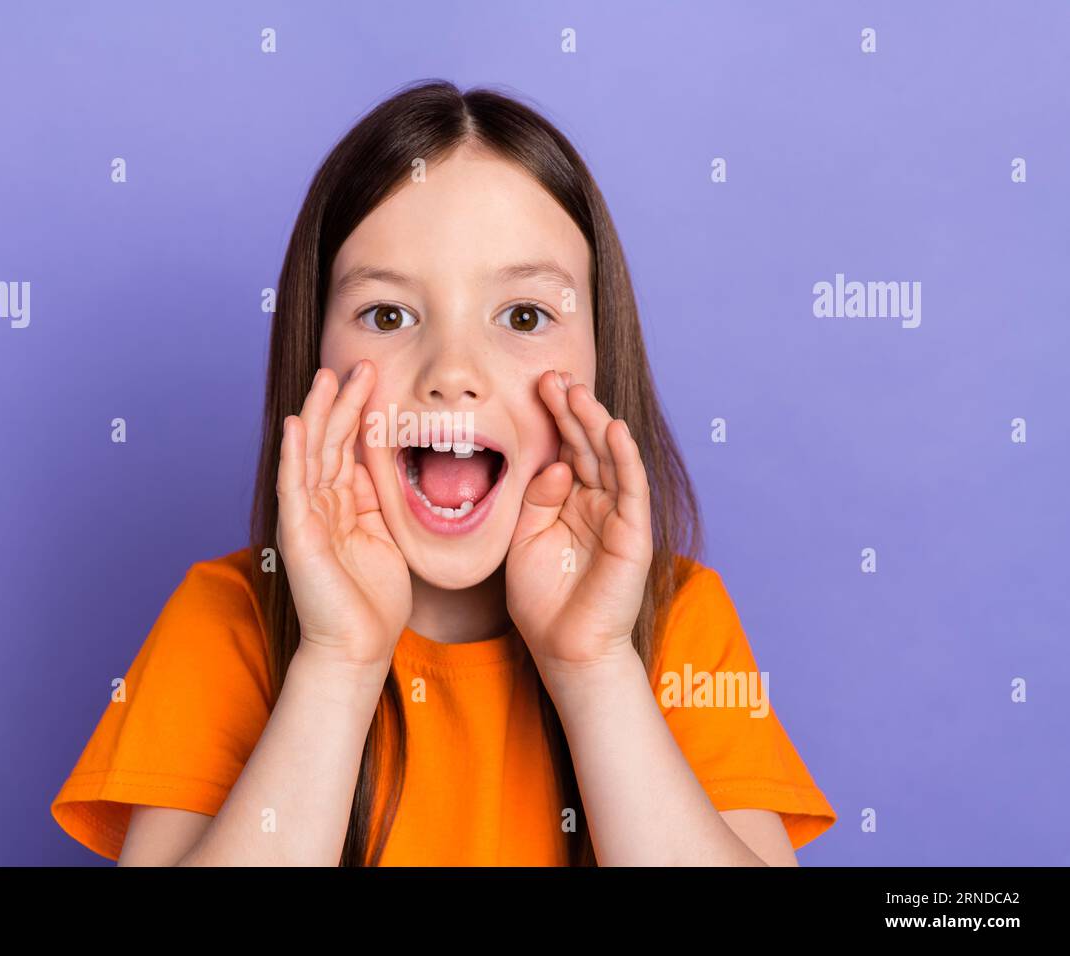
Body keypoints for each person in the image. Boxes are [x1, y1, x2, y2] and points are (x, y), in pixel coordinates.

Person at [50, 79, 837, 866]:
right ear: (313, 353)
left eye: (524, 316)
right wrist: (338, 664)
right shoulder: (225, 628)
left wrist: (594, 669)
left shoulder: (677, 625)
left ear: (599, 360)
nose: (453, 370)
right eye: (388, 316)